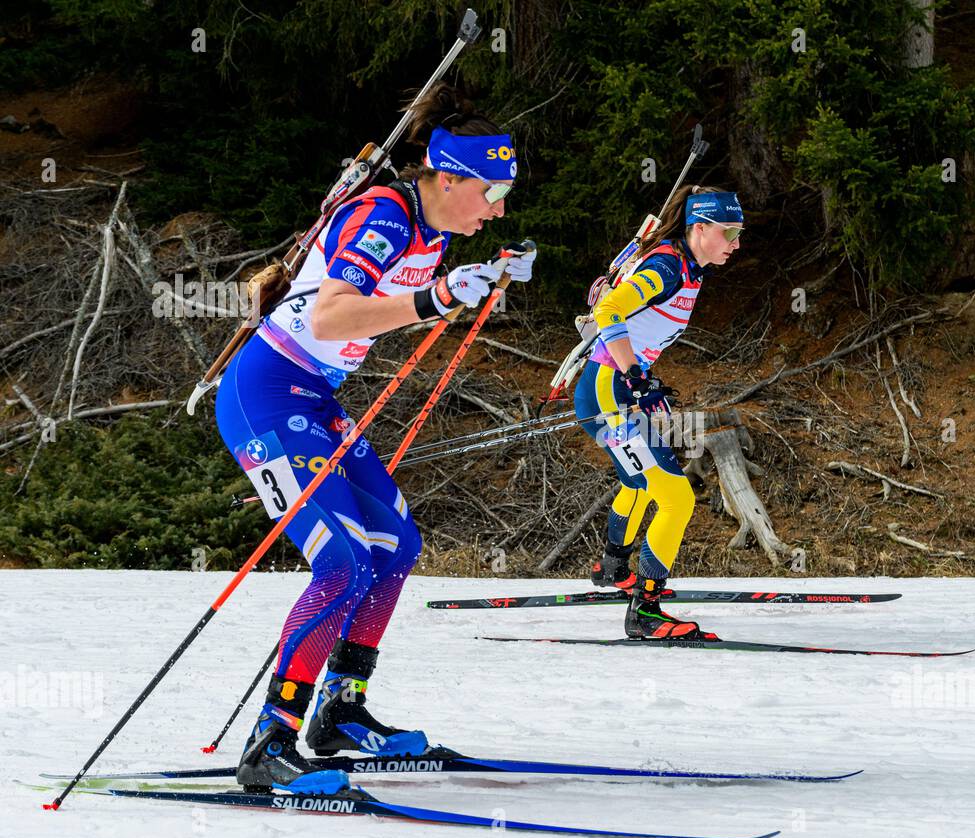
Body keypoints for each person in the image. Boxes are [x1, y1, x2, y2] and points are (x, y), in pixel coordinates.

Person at [214, 84, 535, 794]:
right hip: (265, 395)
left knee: (395, 544)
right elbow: (332, 319)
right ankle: (271, 738)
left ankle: (340, 710)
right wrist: (438, 298)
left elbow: (389, 310)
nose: (499, 208)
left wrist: (475, 283)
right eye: (493, 191)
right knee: (343, 561)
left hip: (314, 398)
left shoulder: (438, 229)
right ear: (448, 179)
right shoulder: (386, 216)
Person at [574, 186, 742, 640]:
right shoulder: (668, 266)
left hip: (606, 391)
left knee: (639, 481)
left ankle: (612, 567)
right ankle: (646, 610)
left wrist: (641, 379)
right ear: (700, 228)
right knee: (675, 496)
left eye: (739, 233)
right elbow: (610, 309)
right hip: (609, 392)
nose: (736, 243)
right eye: (729, 233)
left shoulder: (689, 267)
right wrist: (633, 374)